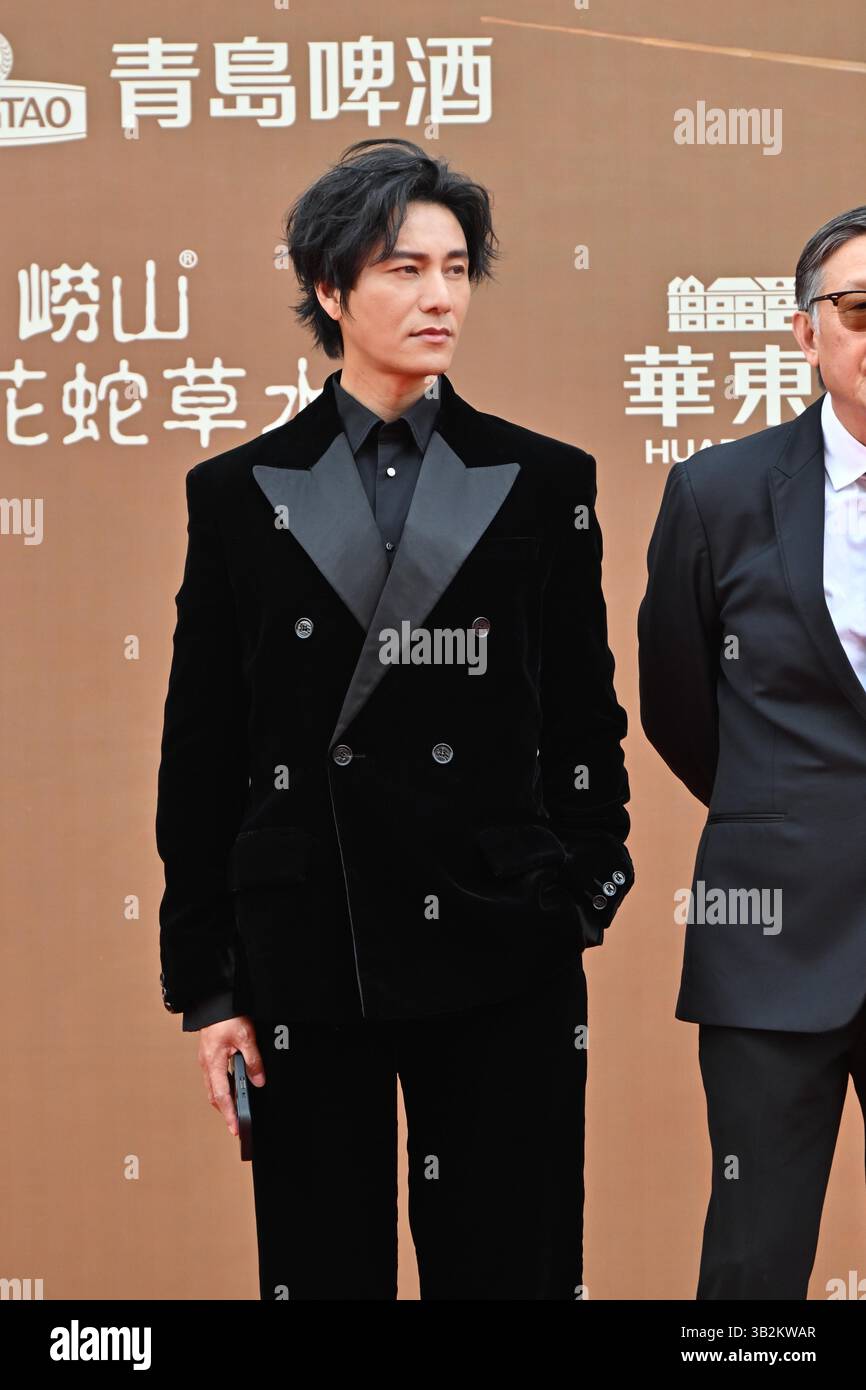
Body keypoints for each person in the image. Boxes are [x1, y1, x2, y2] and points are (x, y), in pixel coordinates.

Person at [156, 137, 634, 1300]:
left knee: (509, 1266)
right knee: (324, 1270)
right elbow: (204, 744)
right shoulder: (237, 493)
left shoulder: (539, 480)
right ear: (330, 289)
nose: (437, 297)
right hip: (306, 946)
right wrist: (208, 987)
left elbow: (583, 718)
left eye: (456, 268)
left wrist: (583, 886)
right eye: (402, 268)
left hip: (501, 936)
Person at [638, 205, 866, 1300]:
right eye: (860, 310)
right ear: (804, 332)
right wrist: (781, 811)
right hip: (772, 939)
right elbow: (679, 705)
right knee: (752, 1260)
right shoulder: (717, 493)